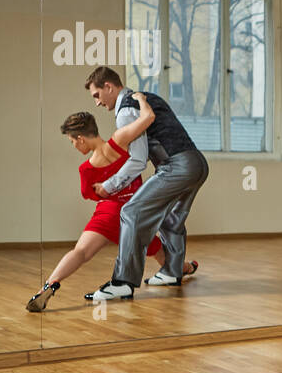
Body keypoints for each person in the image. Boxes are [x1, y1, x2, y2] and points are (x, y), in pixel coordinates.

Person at [25, 93, 197, 312]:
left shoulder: (86, 169)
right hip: (135, 216)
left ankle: (48, 286)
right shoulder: (122, 143)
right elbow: (146, 119)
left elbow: (91, 195)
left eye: (72, 142)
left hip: (107, 216)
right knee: (165, 259)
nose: (74, 146)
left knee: (81, 252)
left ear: (80, 138)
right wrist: (142, 100)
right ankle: (189, 267)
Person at [82, 67, 210, 302]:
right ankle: (172, 272)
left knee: (131, 211)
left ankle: (123, 282)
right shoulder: (145, 97)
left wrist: (109, 186)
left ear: (109, 87)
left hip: (176, 166)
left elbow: (138, 160)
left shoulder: (126, 110)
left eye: (97, 95)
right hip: (197, 163)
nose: (97, 103)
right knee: (172, 218)